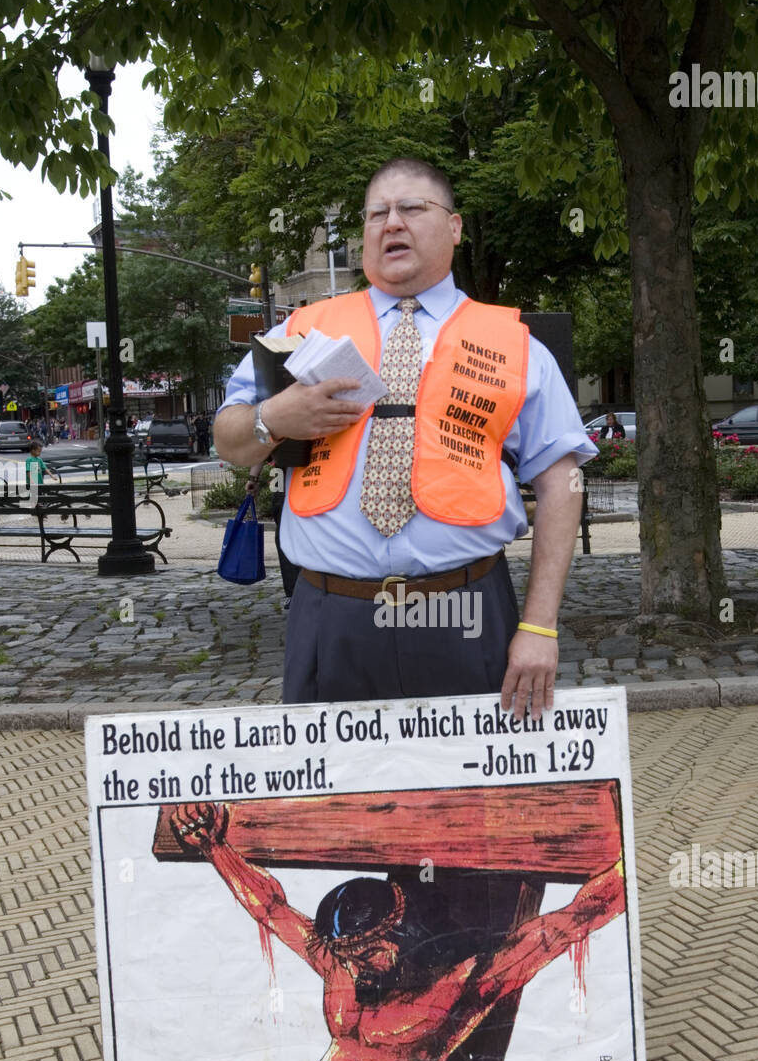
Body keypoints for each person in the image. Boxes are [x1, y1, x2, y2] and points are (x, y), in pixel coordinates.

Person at [214, 158, 597, 719]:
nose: (392, 223)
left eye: (412, 208)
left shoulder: (513, 345)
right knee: (332, 802)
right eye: (376, 214)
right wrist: (275, 416)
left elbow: (563, 481)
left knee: (467, 804)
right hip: (330, 618)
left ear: (455, 227)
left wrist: (539, 626)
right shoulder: (301, 331)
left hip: (466, 613)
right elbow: (228, 439)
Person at [171, 801, 626, 1061]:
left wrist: (626, 870)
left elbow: (566, 925)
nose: (355, 967)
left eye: (366, 953)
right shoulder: (340, 964)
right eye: (346, 957)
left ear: (399, 933)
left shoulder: (465, 982)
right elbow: (271, 909)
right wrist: (215, 846)